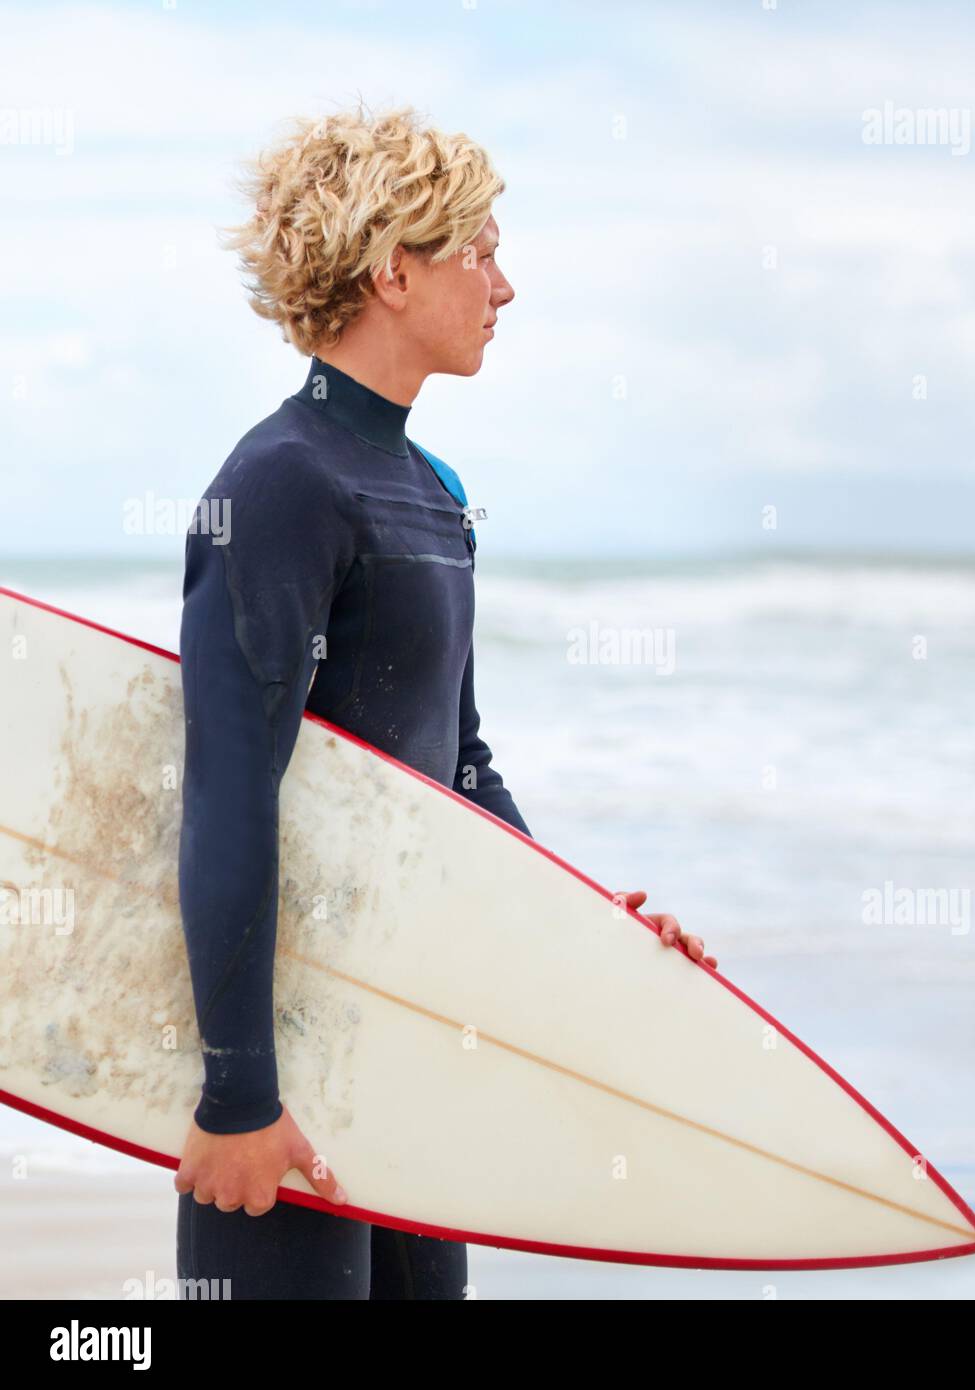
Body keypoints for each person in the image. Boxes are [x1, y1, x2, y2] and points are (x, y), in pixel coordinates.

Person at [172, 105, 715, 1300]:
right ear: (393, 267)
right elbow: (225, 798)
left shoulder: (433, 489)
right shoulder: (277, 484)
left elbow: (455, 768)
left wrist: (589, 928)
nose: (504, 285)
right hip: (290, 1067)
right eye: (480, 248)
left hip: (415, 1049)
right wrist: (236, 1094)